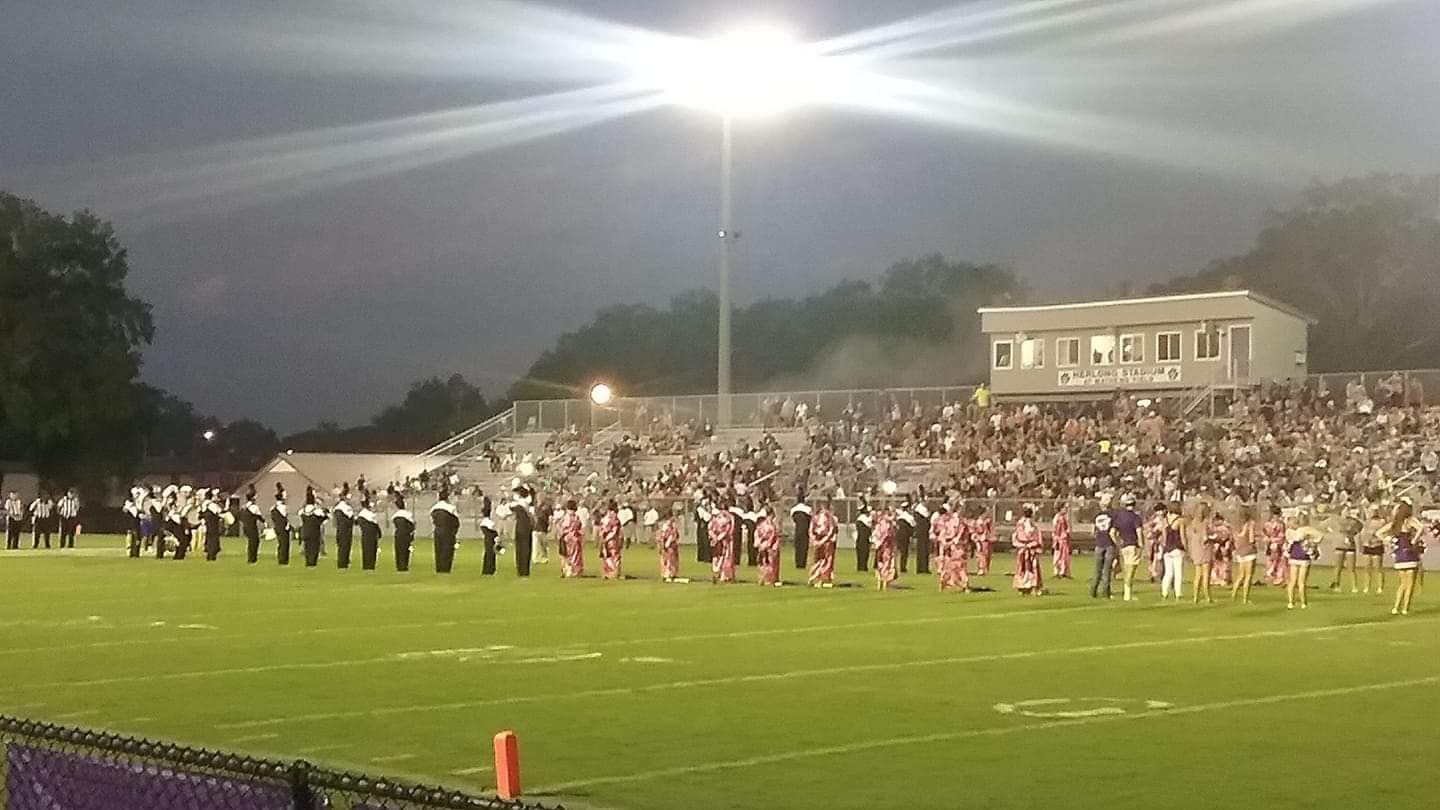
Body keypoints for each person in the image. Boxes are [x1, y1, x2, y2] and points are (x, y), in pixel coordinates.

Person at [1378, 500, 1425, 616]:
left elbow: (1379, 533)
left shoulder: (1395, 523)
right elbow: (1421, 528)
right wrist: (1414, 540)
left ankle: (1395, 607)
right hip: (1409, 552)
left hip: (1399, 553)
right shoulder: (1409, 520)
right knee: (1410, 584)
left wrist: (1388, 542)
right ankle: (1405, 608)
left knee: (1402, 583)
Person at [1285, 511, 1324, 609]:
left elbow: (1291, 540)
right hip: (1303, 556)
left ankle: (1291, 602)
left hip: (1294, 555)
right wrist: (1312, 542)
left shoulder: (1292, 530)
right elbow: (1320, 536)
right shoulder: (1308, 529)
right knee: (1301, 582)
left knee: (1292, 581)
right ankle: (1303, 603)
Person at [1114, 494, 1144, 601]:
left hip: (1124, 546)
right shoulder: (1136, 518)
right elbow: (1139, 531)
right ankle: (1127, 594)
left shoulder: (1120, 517)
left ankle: (1127, 593)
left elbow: (1113, 532)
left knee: (1127, 569)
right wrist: (1141, 545)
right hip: (1132, 545)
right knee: (1131, 571)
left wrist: (1118, 542)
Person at [936, 500, 969, 593]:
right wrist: (952, 542)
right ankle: (963, 584)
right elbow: (958, 533)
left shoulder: (950, 520)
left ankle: (947, 581)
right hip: (956, 545)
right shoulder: (957, 520)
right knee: (959, 566)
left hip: (951, 544)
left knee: (951, 566)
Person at [1328, 506, 1362, 593]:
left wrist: (1353, 534)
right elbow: (1326, 526)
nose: (1348, 512)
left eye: (1348, 510)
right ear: (1341, 511)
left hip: (1350, 546)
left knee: (1351, 568)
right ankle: (1336, 584)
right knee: (1338, 567)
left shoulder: (1353, 521)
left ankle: (1354, 586)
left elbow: (1360, 527)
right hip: (1339, 545)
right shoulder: (1336, 520)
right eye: (1346, 510)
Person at [1012, 504, 1044, 595]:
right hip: (1030, 548)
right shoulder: (1032, 524)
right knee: (1032, 568)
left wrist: (1020, 545)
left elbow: (1015, 536)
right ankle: (1033, 587)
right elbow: (1037, 538)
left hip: (1022, 548)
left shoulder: (1020, 523)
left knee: (1022, 567)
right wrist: (1034, 545)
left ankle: (1022, 586)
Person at [1089, 496, 1116, 600]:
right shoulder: (1113, 515)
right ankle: (1106, 592)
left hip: (1099, 544)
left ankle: (1093, 590)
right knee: (1107, 569)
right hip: (1109, 543)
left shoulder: (1096, 516)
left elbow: (1093, 532)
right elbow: (1113, 530)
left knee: (1097, 569)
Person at [1160, 500, 1187, 601]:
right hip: (1177, 548)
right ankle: (1178, 593)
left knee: (1168, 573)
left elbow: (1164, 536)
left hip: (1167, 549)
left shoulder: (1165, 520)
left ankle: (1164, 592)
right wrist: (1186, 548)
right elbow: (1182, 536)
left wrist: (1164, 547)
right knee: (1178, 572)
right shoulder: (1180, 520)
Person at [1231, 506, 1259, 604]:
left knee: (1241, 575)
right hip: (1249, 551)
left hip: (1240, 551)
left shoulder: (1236, 525)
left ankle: (1233, 595)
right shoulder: (1250, 524)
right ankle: (1245, 598)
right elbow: (1251, 539)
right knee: (1248, 576)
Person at [1189, 501, 1216, 605]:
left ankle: (1195, 597)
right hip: (1205, 549)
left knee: (1197, 575)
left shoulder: (1194, 522)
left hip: (1196, 550)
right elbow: (1205, 537)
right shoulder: (1205, 523)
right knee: (1206, 575)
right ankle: (1208, 597)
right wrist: (1213, 537)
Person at [807, 500, 838, 588]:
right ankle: (816, 577)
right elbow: (811, 529)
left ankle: (823, 578)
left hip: (826, 541)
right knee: (819, 560)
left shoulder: (829, 518)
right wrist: (814, 540)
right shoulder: (816, 518)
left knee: (826, 559)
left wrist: (823, 540)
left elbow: (831, 530)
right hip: (819, 540)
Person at [297, 487, 329, 567]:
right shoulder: (316, 510)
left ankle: (307, 562)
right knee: (314, 547)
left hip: (305, 531)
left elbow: (300, 515)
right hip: (314, 532)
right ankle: (312, 563)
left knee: (307, 547)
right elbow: (323, 516)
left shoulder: (302, 510)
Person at [431, 489, 460, 574]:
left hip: (437, 530)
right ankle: (445, 568)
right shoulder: (451, 508)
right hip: (448, 531)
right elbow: (456, 521)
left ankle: (439, 568)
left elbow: (433, 519)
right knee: (447, 550)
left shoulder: (434, 508)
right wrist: (454, 532)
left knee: (438, 549)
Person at [1360, 505, 1388, 594]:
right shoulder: (1367, 522)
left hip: (1377, 545)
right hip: (1367, 545)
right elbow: (1363, 533)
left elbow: (1385, 533)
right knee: (1367, 567)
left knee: (1378, 567)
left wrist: (1377, 537)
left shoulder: (1382, 522)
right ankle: (1367, 586)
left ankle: (1380, 587)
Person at [708, 497, 737, 584]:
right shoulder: (729, 518)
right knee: (726, 557)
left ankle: (717, 572)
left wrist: (714, 537)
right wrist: (719, 538)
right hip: (725, 541)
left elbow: (710, 529)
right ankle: (725, 575)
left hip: (717, 539)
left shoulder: (715, 518)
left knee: (716, 556)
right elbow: (729, 530)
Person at [510, 484, 536, 577]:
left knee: (519, 549)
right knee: (526, 549)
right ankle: (525, 570)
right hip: (527, 528)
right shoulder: (529, 504)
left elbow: (510, 507)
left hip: (519, 527)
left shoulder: (516, 504)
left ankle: (519, 569)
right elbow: (532, 516)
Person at [871, 506, 897, 591]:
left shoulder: (889, 524)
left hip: (887, 547)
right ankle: (882, 580)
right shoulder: (882, 525)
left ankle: (884, 581)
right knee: (883, 563)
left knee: (886, 563)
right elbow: (876, 535)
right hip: (882, 546)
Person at [754, 504, 781, 586]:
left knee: (763, 562)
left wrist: (759, 543)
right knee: (771, 562)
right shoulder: (771, 525)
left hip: (762, 544)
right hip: (770, 546)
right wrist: (769, 545)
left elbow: (757, 534)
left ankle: (762, 578)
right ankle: (770, 579)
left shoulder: (761, 524)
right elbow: (773, 536)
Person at [1262, 505, 1289, 587]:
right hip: (1269, 546)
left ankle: (1279, 578)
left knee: (1280, 562)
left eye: (1277, 514)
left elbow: (1282, 536)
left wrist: (1274, 541)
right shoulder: (1267, 524)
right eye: (1274, 514)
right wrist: (1267, 539)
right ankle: (1270, 577)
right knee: (1270, 561)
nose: (1276, 516)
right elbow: (1264, 534)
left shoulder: (1281, 524)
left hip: (1278, 546)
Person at [1208, 510, 1234, 590]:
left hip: (1223, 546)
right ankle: (1216, 579)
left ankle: (1224, 579)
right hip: (1217, 547)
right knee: (1217, 564)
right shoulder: (1214, 528)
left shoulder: (1225, 528)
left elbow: (1227, 538)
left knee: (1224, 564)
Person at [558, 498, 585, 578]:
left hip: (566, 538)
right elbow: (579, 527)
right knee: (575, 555)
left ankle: (567, 570)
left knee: (565, 555)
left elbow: (561, 526)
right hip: (575, 538)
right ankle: (575, 570)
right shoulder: (576, 517)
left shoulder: (566, 517)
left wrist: (561, 533)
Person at [598, 500, 624, 580]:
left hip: (606, 540)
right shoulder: (615, 520)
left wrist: (603, 538)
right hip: (612, 541)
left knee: (607, 556)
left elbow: (602, 530)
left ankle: (607, 573)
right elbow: (614, 532)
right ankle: (613, 573)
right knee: (613, 556)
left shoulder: (604, 519)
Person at [657, 503, 682, 582]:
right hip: (669, 543)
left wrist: (665, 543)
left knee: (669, 559)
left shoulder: (670, 524)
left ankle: (669, 574)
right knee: (669, 559)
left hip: (669, 543)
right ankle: (668, 574)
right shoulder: (668, 524)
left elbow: (673, 534)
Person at [332, 484, 356, 569]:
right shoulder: (345, 508)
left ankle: (343, 562)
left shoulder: (337, 508)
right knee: (345, 546)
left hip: (340, 529)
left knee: (341, 546)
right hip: (346, 530)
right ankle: (343, 563)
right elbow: (351, 519)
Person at [356, 495, 383, 570]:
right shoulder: (370, 515)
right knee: (372, 550)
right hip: (372, 535)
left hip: (364, 535)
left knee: (365, 550)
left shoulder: (361, 515)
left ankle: (366, 565)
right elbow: (375, 525)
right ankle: (371, 565)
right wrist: (379, 534)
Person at [240, 486, 264, 564]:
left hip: (245, 526)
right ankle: (252, 558)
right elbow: (259, 516)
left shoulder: (244, 507)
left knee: (250, 542)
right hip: (252, 527)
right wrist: (265, 522)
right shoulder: (254, 507)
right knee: (255, 542)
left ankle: (250, 558)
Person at [969, 504, 994, 577]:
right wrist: (976, 539)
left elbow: (990, 530)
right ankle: (981, 568)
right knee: (981, 554)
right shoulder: (978, 522)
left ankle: (986, 568)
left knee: (987, 554)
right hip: (981, 539)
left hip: (986, 539)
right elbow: (977, 531)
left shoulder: (987, 521)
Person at [392, 495, 415, 572]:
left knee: (398, 550)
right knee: (405, 550)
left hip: (398, 534)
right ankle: (404, 565)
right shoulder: (408, 515)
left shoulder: (395, 515)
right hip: (406, 534)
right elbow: (412, 526)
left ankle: (399, 566)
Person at [270, 484, 292, 565]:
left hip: (277, 527)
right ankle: (284, 560)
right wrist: (287, 525)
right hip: (283, 528)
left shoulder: (273, 507)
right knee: (284, 544)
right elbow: (284, 518)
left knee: (280, 544)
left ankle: (281, 559)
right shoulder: (282, 507)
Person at [201, 490, 225, 561]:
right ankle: (212, 555)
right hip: (213, 524)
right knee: (213, 539)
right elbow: (218, 511)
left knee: (209, 539)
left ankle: (209, 554)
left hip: (207, 523)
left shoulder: (203, 504)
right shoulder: (211, 505)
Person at [790, 495, 812, 570]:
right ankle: (802, 564)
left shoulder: (793, 509)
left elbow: (794, 519)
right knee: (804, 548)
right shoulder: (808, 509)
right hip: (805, 531)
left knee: (797, 547)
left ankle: (798, 563)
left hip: (797, 530)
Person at [1051, 501, 1072, 579]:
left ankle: (1064, 572)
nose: (1066, 510)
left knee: (1064, 556)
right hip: (1060, 539)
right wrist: (1056, 538)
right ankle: (1058, 572)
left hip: (1064, 539)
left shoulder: (1063, 518)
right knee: (1058, 556)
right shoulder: (1058, 518)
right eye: (1065, 508)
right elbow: (1056, 529)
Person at [913, 494, 932, 575]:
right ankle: (921, 568)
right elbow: (925, 519)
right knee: (922, 550)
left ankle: (924, 567)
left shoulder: (924, 510)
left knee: (925, 550)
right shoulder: (920, 510)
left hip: (924, 532)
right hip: (922, 532)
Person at [894, 498, 915, 574]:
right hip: (905, 537)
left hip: (898, 536)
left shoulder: (899, 517)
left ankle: (893, 566)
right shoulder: (909, 517)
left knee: (895, 552)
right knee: (904, 553)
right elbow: (913, 526)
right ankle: (903, 567)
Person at [854, 495, 872, 572]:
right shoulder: (864, 520)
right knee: (864, 553)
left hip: (860, 539)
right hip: (864, 539)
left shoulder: (859, 520)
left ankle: (860, 566)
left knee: (860, 553)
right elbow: (868, 529)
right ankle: (863, 567)